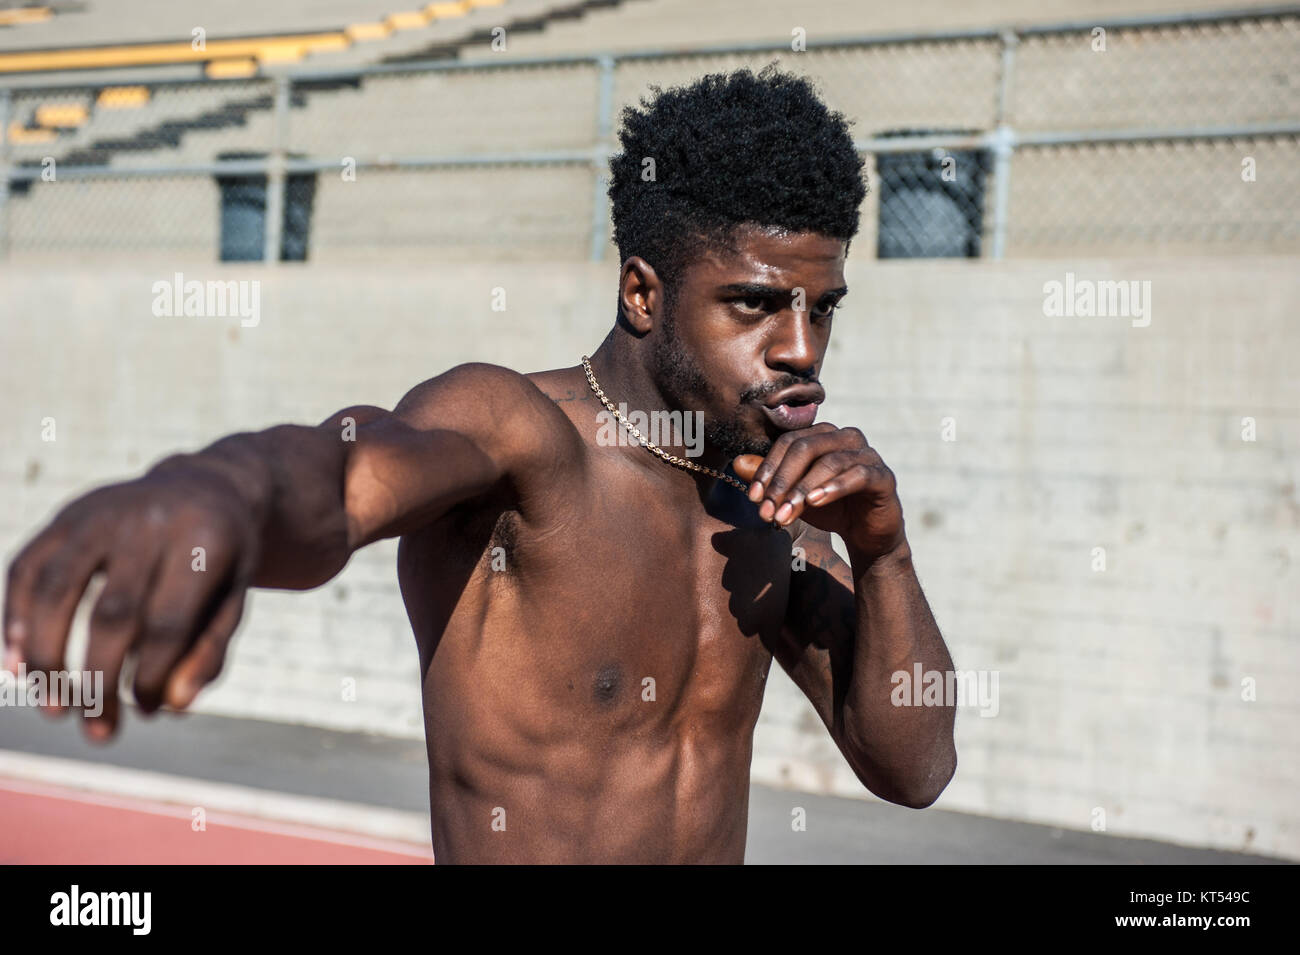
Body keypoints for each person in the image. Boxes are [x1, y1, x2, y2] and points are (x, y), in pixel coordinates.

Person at [3, 66, 957, 863]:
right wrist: (221, 487)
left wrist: (885, 552)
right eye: (754, 305)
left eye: (822, 308)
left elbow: (913, 769)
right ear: (642, 291)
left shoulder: (767, 508)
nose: (799, 348)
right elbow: (347, 472)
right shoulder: (520, 433)